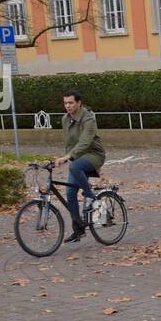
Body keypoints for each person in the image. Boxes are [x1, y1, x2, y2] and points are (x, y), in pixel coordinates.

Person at [55, 91, 106, 243]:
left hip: (94, 155)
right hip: (77, 157)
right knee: (70, 192)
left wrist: (68, 157)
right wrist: (65, 158)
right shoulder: (65, 119)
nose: (67, 106)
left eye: (70, 103)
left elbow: (85, 142)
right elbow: (69, 143)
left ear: (79, 103)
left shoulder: (88, 118)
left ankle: (89, 194)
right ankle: (78, 230)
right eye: (65, 103)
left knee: (75, 167)